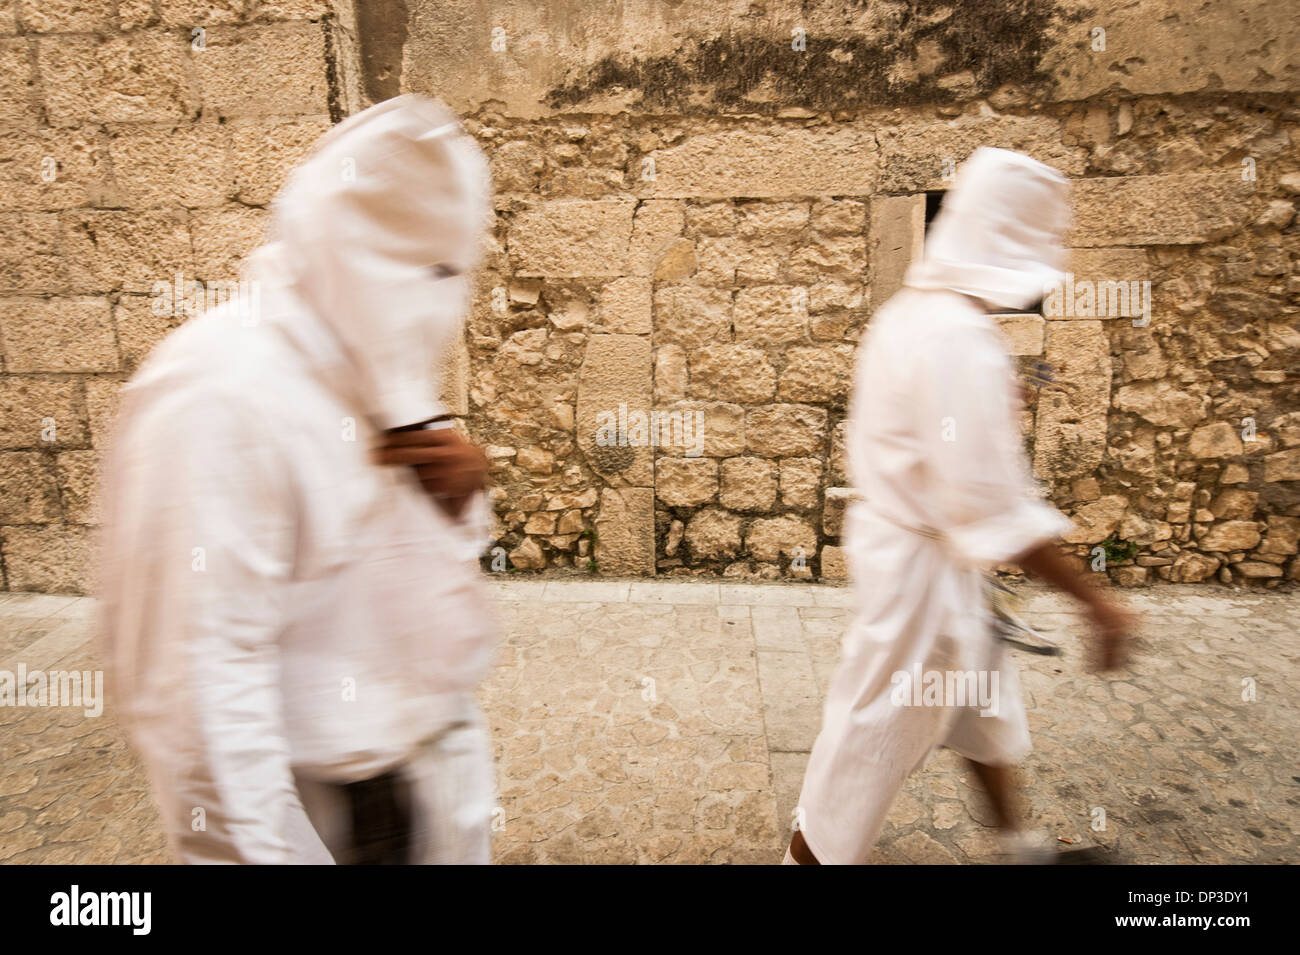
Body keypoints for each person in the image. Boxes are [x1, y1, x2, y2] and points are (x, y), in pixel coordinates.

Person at [98, 95, 499, 864]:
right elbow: (202, 703)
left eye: (449, 271)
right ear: (343, 242)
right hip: (313, 822)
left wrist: (459, 504)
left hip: (416, 791)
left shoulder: (381, 376)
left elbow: (410, 596)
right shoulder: (218, 393)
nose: (434, 299)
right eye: (413, 267)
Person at [786, 148, 1133, 866]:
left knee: (981, 708)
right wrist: (1098, 602)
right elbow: (991, 509)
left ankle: (1024, 850)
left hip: (914, 550)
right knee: (865, 749)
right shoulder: (960, 340)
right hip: (923, 577)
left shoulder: (911, 315)